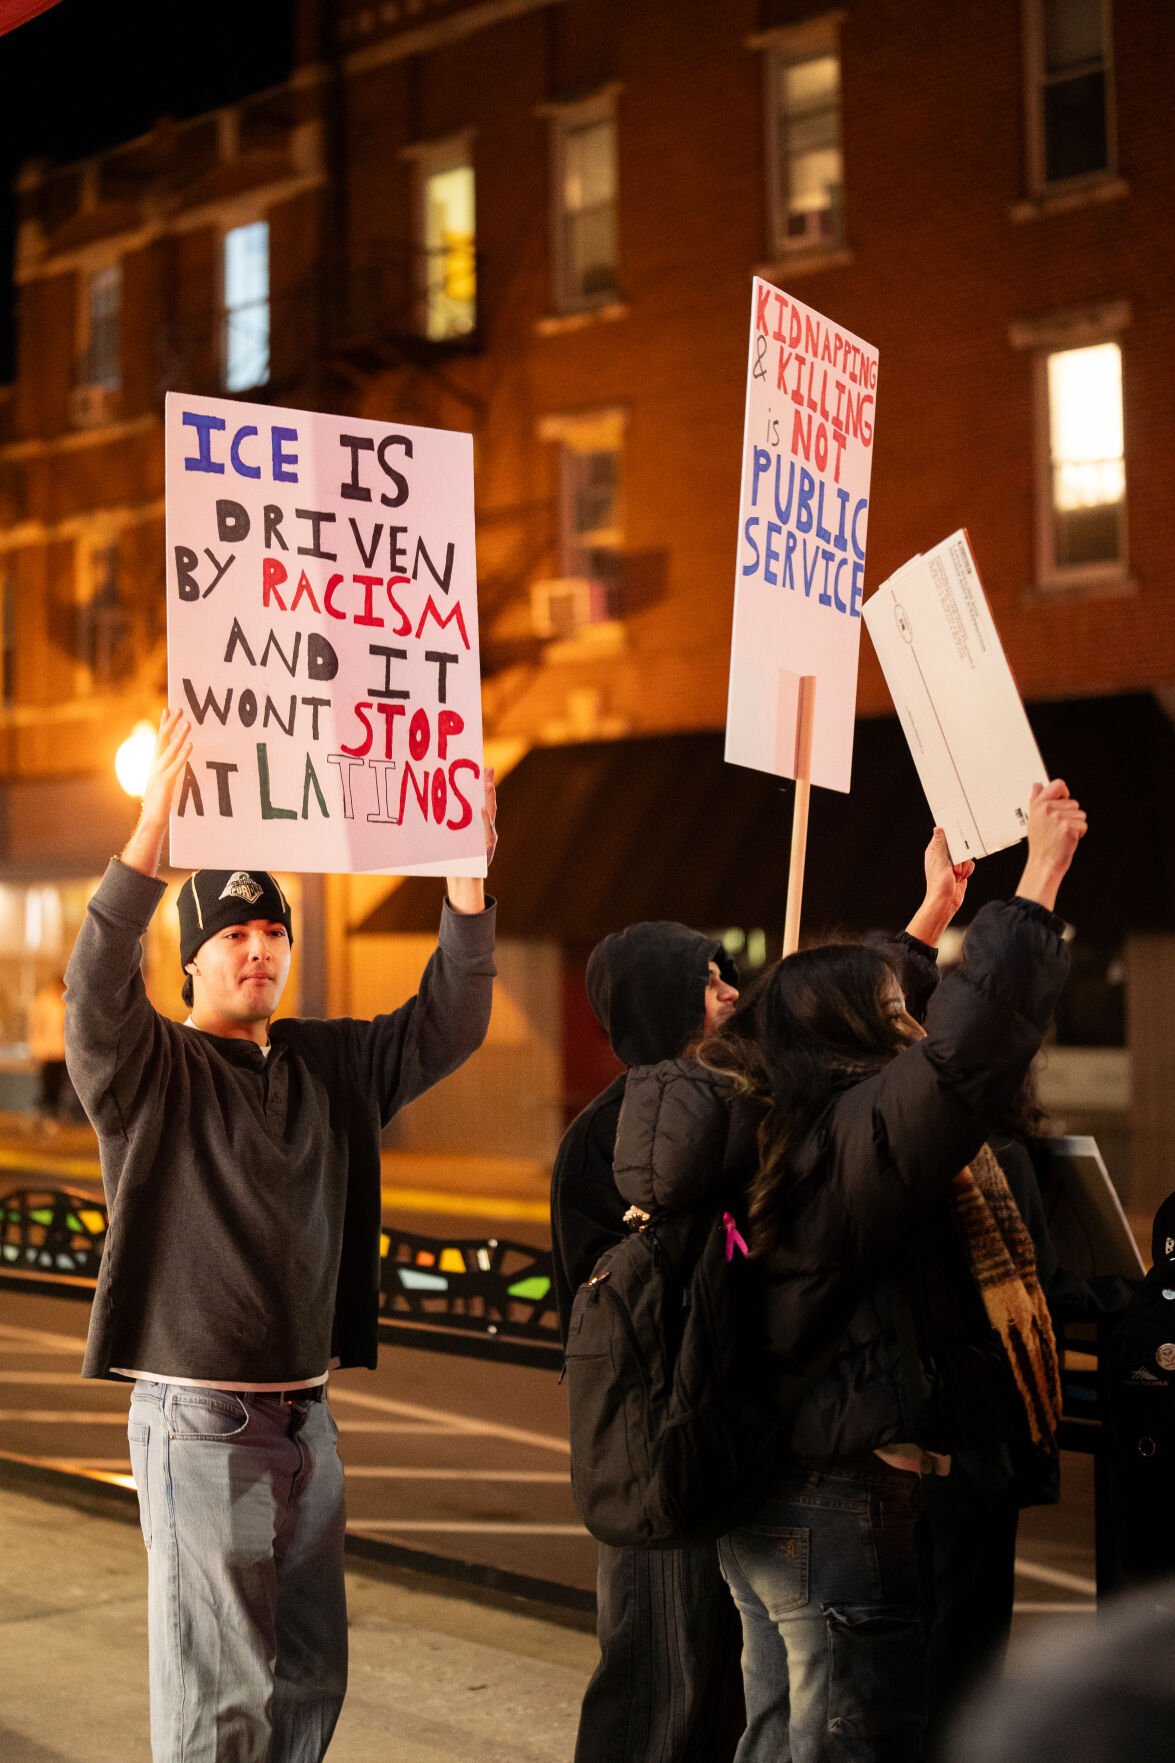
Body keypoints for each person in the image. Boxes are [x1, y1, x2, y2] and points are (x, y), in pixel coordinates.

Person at [613, 780, 1086, 1763]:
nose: (910, 1020)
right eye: (892, 1011)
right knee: (845, 1741)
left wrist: (930, 915)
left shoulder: (772, 1131)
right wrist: (1037, 883)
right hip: (832, 1503)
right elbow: (961, 1062)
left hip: (762, 1495)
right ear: (854, 1036)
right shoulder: (844, 1151)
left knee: (774, 1730)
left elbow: (825, 1003)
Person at [64, 707, 497, 1763]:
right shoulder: (149, 1068)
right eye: (232, 935)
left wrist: (465, 880)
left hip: (308, 1416)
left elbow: (450, 1018)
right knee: (221, 1701)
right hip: (198, 1417)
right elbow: (94, 986)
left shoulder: (329, 1062)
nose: (258, 949)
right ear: (191, 962)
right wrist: (151, 828)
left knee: (309, 1679)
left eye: (273, 932)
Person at [553, 834, 971, 1763]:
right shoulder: (620, 1133)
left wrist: (925, 920)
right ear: (661, 1003)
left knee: (744, 1690)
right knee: (664, 1675)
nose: (731, 993)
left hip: (722, 1431)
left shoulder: (738, 1102)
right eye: (706, 981)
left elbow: (829, 1015)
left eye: (728, 975)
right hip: (664, 1432)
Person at [28, 971, 68, 1131]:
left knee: (57, 1085)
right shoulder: (44, 1002)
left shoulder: (65, 1003)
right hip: (47, 1052)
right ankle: (45, 1115)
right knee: (48, 1085)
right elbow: (35, 1027)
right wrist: (35, 1048)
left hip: (61, 1052)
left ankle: (47, 1114)